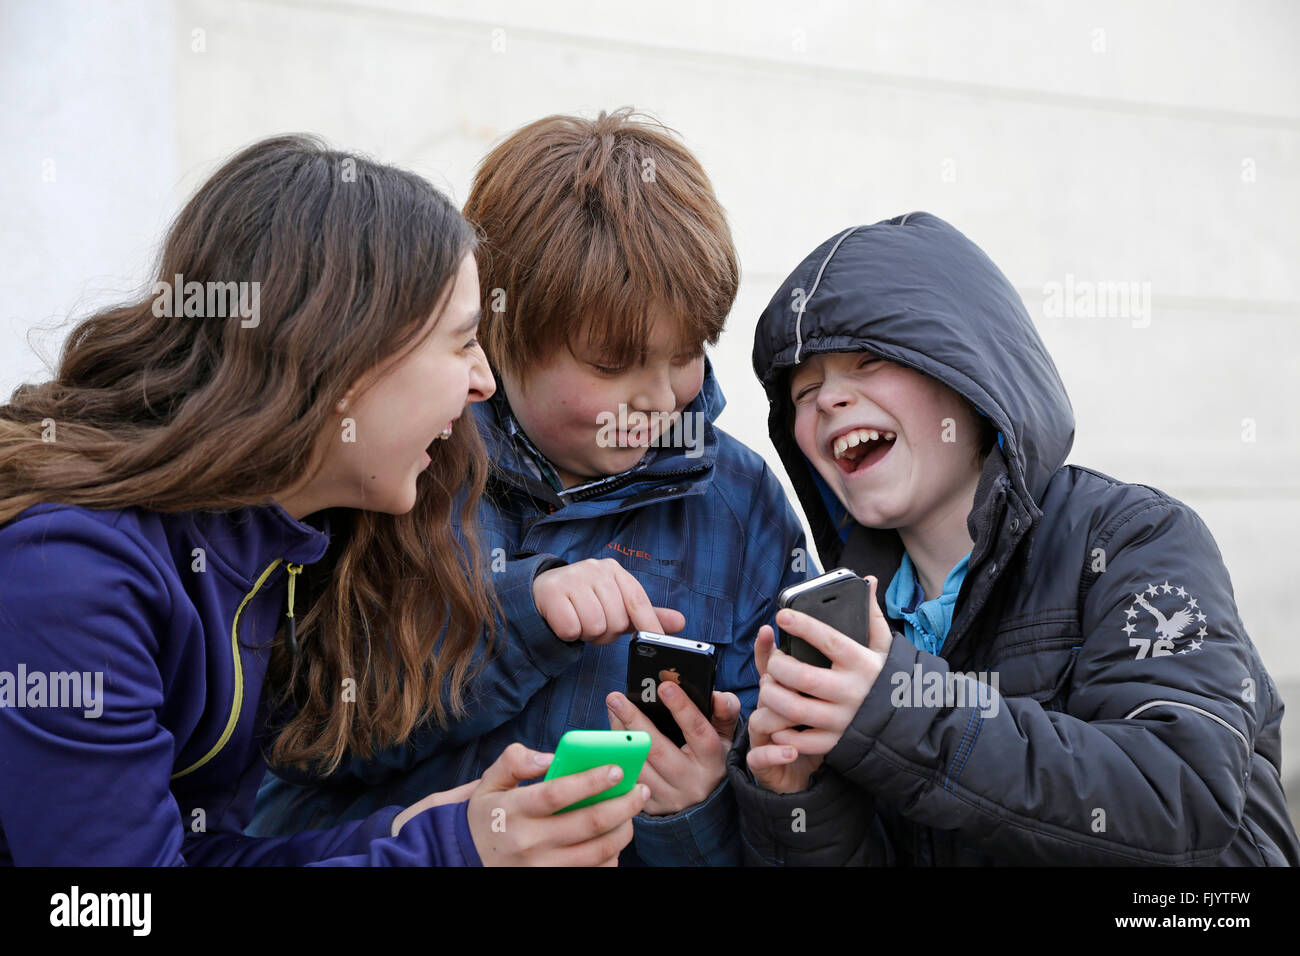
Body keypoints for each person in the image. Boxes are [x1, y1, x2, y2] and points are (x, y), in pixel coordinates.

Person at [0, 134, 647, 866]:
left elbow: (190, 855)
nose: (483, 383)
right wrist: (449, 856)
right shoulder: (69, 573)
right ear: (346, 352)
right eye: (462, 342)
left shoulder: (285, 552)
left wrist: (415, 835)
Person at [251, 110, 814, 865]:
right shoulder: (391, 460)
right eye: (612, 365)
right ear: (501, 328)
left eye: (685, 354)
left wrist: (697, 808)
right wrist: (520, 618)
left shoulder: (745, 506)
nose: (657, 398)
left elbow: (783, 827)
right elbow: (302, 738)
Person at [727, 211, 1300, 865]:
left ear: (970, 374)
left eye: (868, 360)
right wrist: (797, 797)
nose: (828, 399)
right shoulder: (851, 622)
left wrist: (900, 709)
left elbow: (1182, 794)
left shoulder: (1135, 540)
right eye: (804, 389)